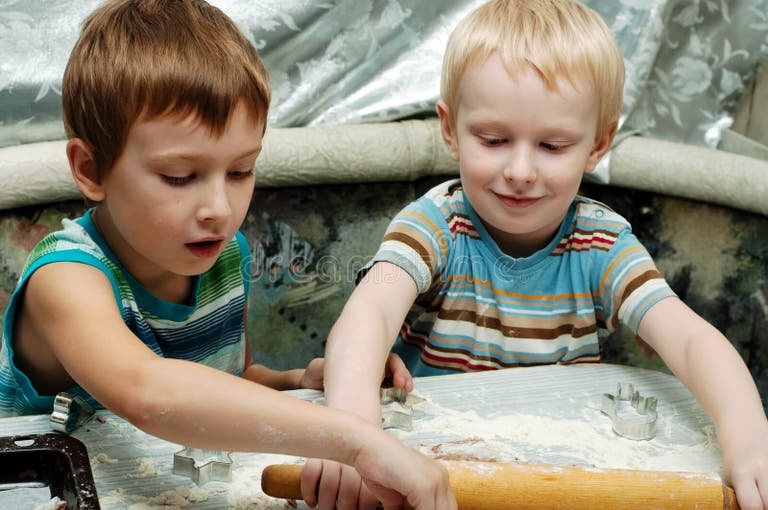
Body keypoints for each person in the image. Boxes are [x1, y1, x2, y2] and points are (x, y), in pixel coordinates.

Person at [303, 0, 768, 509]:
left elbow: (691, 341)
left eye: (552, 146)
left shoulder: (602, 244)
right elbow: (369, 312)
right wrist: (353, 432)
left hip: (561, 469)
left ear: (598, 144)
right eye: (495, 139)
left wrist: (747, 435)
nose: (521, 170)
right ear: (450, 129)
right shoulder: (436, 224)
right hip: (431, 468)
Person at [0, 1, 456, 508]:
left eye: (240, 171)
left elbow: (225, 383)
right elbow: (152, 393)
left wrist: (294, 383)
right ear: (90, 169)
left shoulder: (224, 256)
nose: (219, 208)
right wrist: (354, 436)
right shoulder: (65, 277)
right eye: (180, 177)